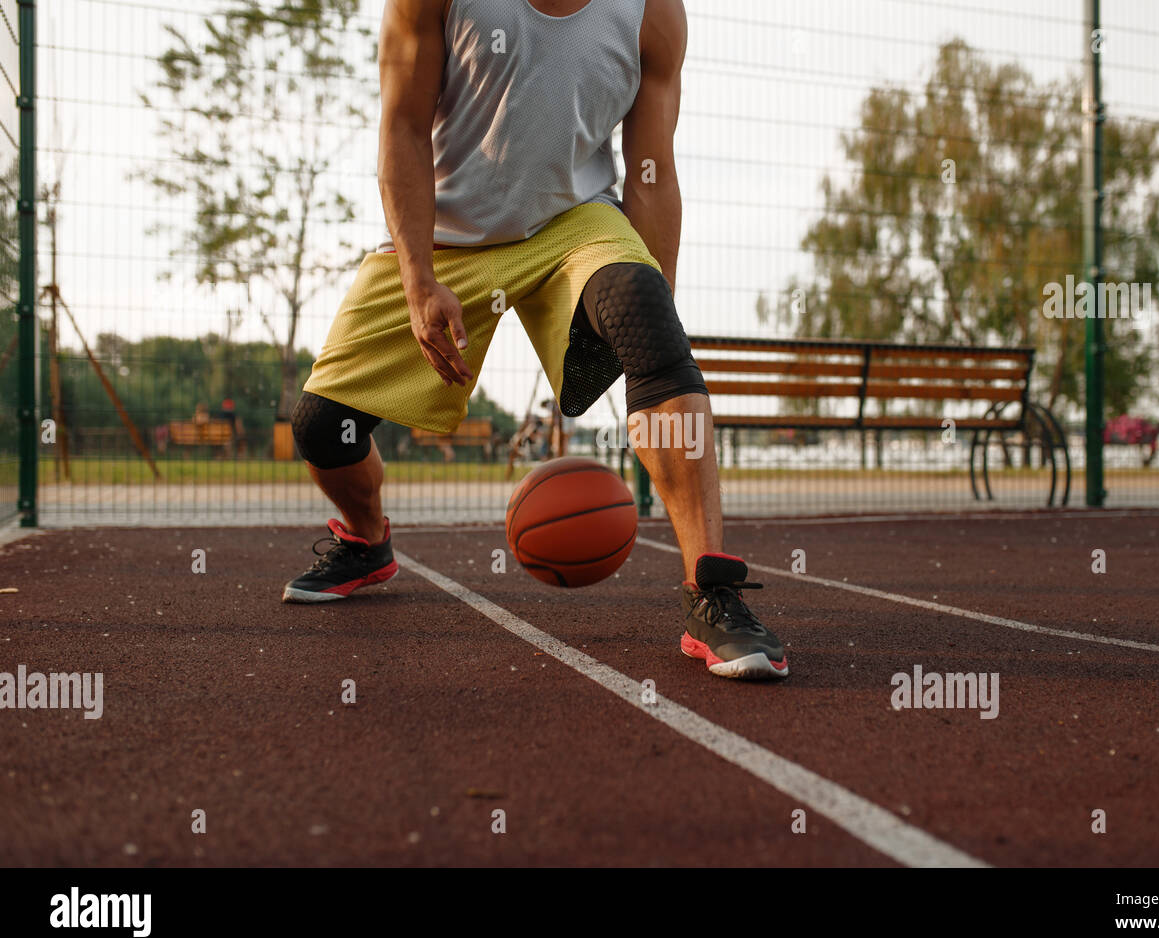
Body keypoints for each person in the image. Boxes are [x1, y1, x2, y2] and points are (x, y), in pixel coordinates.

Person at [281, 0, 787, 680]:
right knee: (321, 428)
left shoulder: (652, 12)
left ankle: (712, 590)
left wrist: (655, 328)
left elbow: (652, 169)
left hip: (572, 223)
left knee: (644, 310)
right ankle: (366, 537)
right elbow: (401, 127)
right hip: (449, 231)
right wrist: (417, 279)